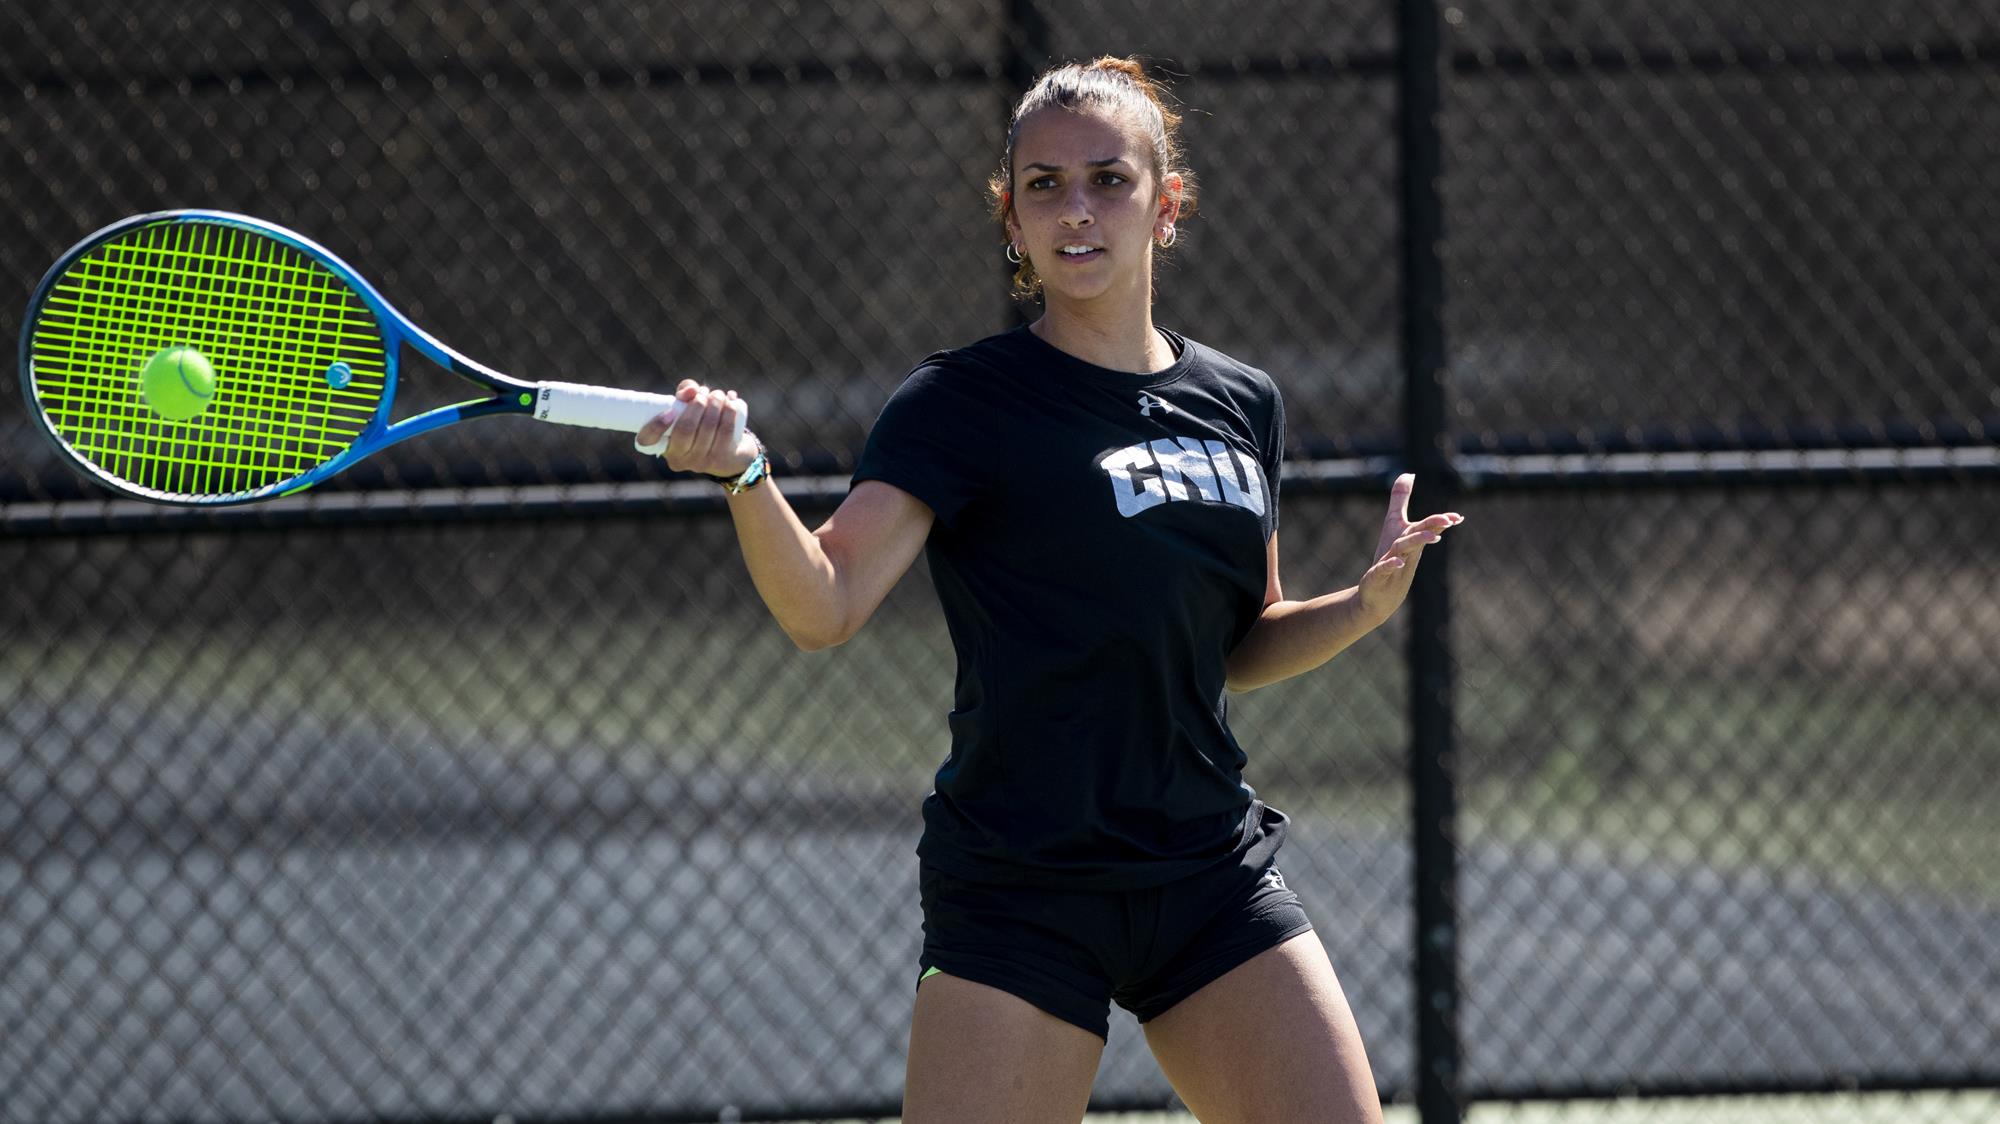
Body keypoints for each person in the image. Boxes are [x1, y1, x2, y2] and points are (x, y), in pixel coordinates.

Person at [636, 55, 1462, 1124]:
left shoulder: (1240, 402)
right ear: (1012, 221)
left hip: (1205, 871)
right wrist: (745, 477)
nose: (1076, 209)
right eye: (1043, 185)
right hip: (1021, 883)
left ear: (1164, 205)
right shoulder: (959, 403)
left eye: (1107, 180)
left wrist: (1361, 605)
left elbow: (1238, 640)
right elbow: (824, 603)